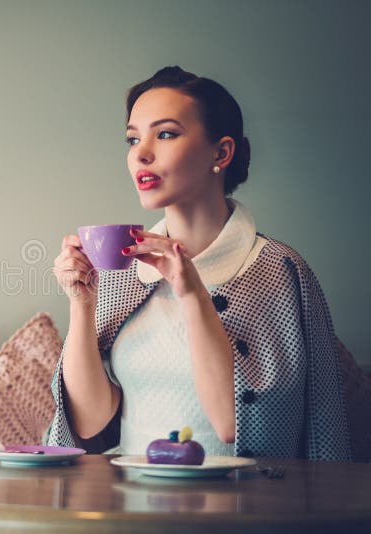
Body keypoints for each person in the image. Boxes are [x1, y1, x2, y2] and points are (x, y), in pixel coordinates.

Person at [47, 66, 351, 461]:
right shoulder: (121, 275)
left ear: (221, 153)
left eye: (166, 133)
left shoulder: (279, 271)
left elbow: (233, 426)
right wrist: (81, 303)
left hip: (242, 509)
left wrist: (191, 291)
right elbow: (89, 423)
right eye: (133, 138)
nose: (141, 153)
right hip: (130, 506)